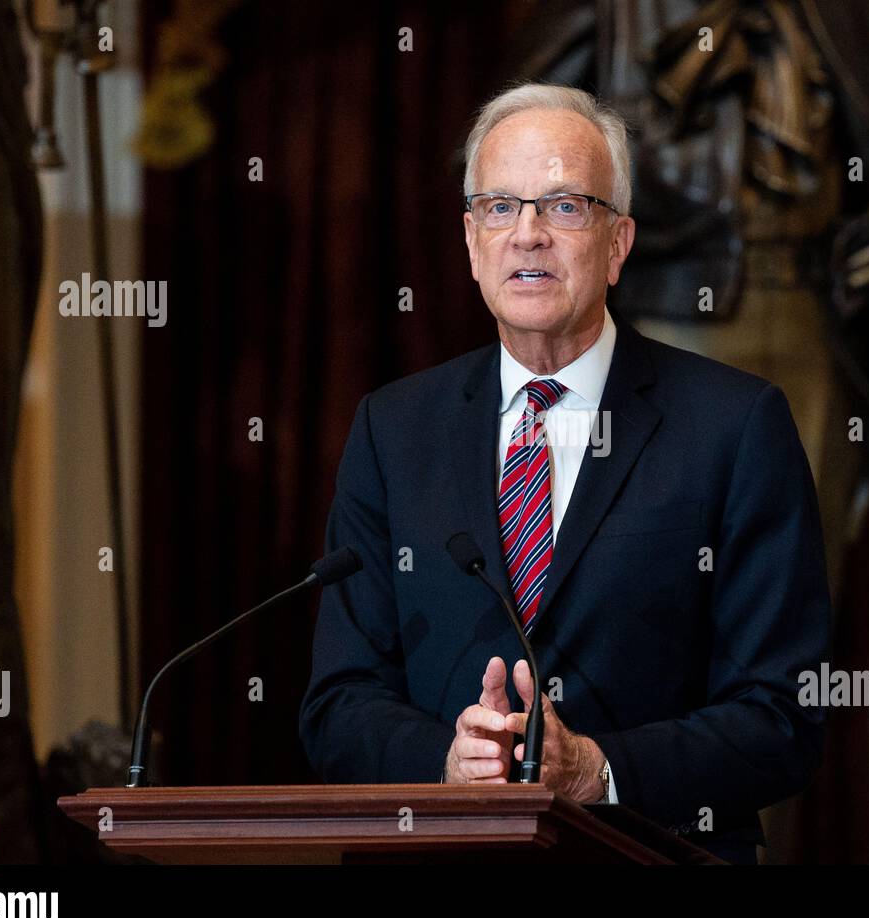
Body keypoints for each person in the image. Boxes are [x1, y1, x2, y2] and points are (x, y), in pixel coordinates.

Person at [299, 84, 831, 864]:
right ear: (471, 241)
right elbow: (338, 702)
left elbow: (785, 714)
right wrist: (445, 762)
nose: (528, 235)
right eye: (499, 207)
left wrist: (598, 770)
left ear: (618, 243)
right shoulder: (394, 428)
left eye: (565, 207)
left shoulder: (735, 426)